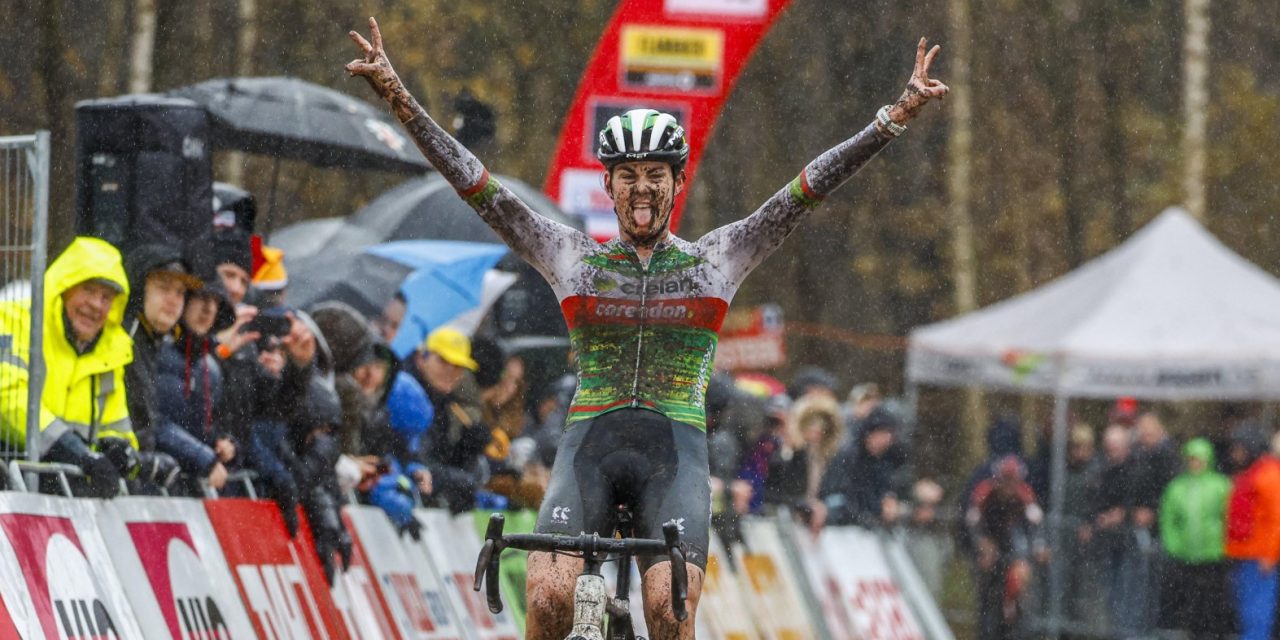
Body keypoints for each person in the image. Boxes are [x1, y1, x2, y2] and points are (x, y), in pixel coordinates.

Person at [345, 17, 948, 638]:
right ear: (607, 184)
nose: (641, 189)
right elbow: (478, 186)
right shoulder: (571, 257)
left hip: (675, 452)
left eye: (655, 174)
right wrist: (401, 100)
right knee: (548, 597)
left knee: (670, 609)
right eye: (628, 175)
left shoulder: (717, 259)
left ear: (677, 181)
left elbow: (805, 191)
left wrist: (892, 118)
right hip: (589, 445)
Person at [0, 237, 136, 497]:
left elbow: (118, 426)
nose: (96, 304)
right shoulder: (11, 319)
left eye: (106, 297)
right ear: (63, 288)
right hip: (8, 485)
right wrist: (74, 450)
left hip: (67, 500)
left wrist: (119, 451)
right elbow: (7, 398)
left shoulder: (113, 353)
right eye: (88, 290)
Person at [122, 244, 208, 492]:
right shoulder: (125, 336)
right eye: (163, 288)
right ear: (140, 288)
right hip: (117, 480)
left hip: (134, 477)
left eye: (180, 293)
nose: (173, 301)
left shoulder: (151, 341)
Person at [408, 327, 491, 514]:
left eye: (458, 366)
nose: (451, 372)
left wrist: (466, 448)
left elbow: (439, 457)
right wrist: (450, 479)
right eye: (444, 361)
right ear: (422, 358)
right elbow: (415, 459)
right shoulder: (408, 396)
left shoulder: (443, 404)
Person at [1159, 437, 1235, 639]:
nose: (1195, 463)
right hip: (1185, 556)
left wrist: (1225, 545)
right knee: (1188, 603)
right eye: (1191, 459)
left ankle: (1213, 634)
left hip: (1213, 556)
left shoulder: (1220, 485)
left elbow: (1230, 518)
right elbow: (1168, 519)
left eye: (1199, 459)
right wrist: (1173, 545)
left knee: (1212, 602)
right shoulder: (1177, 487)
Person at [1224, 424, 1280, 640]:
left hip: (1259, 556)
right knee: (1248, 611)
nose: (1235, 454)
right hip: (1247, 554)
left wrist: (1270, 555)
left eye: (1239, 448)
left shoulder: (1268, 474)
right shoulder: (1253, 472)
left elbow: (1277, 520)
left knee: (1256, 613)